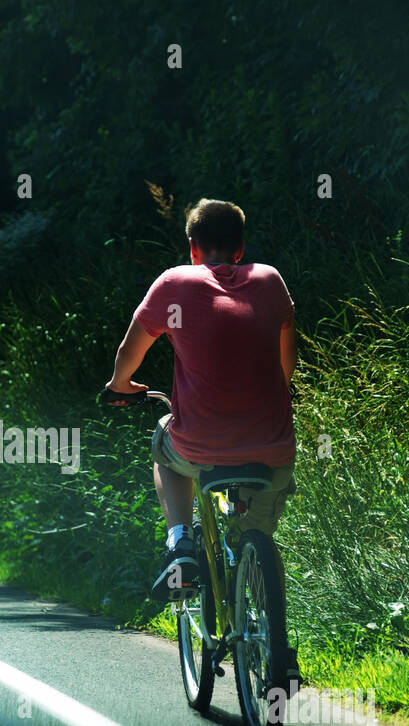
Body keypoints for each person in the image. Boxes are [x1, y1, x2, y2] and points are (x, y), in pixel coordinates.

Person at [103, 198, 297, 611]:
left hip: (199, 448)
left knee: (163, 443)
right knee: (258, 539)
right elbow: (286, 368)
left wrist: (120, 384)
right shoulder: (270, 280)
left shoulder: (174, 283)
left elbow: (129, 351)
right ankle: (273, 637)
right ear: (240, 248)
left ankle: (181, 542)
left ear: (193, 247)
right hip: (272, 450)